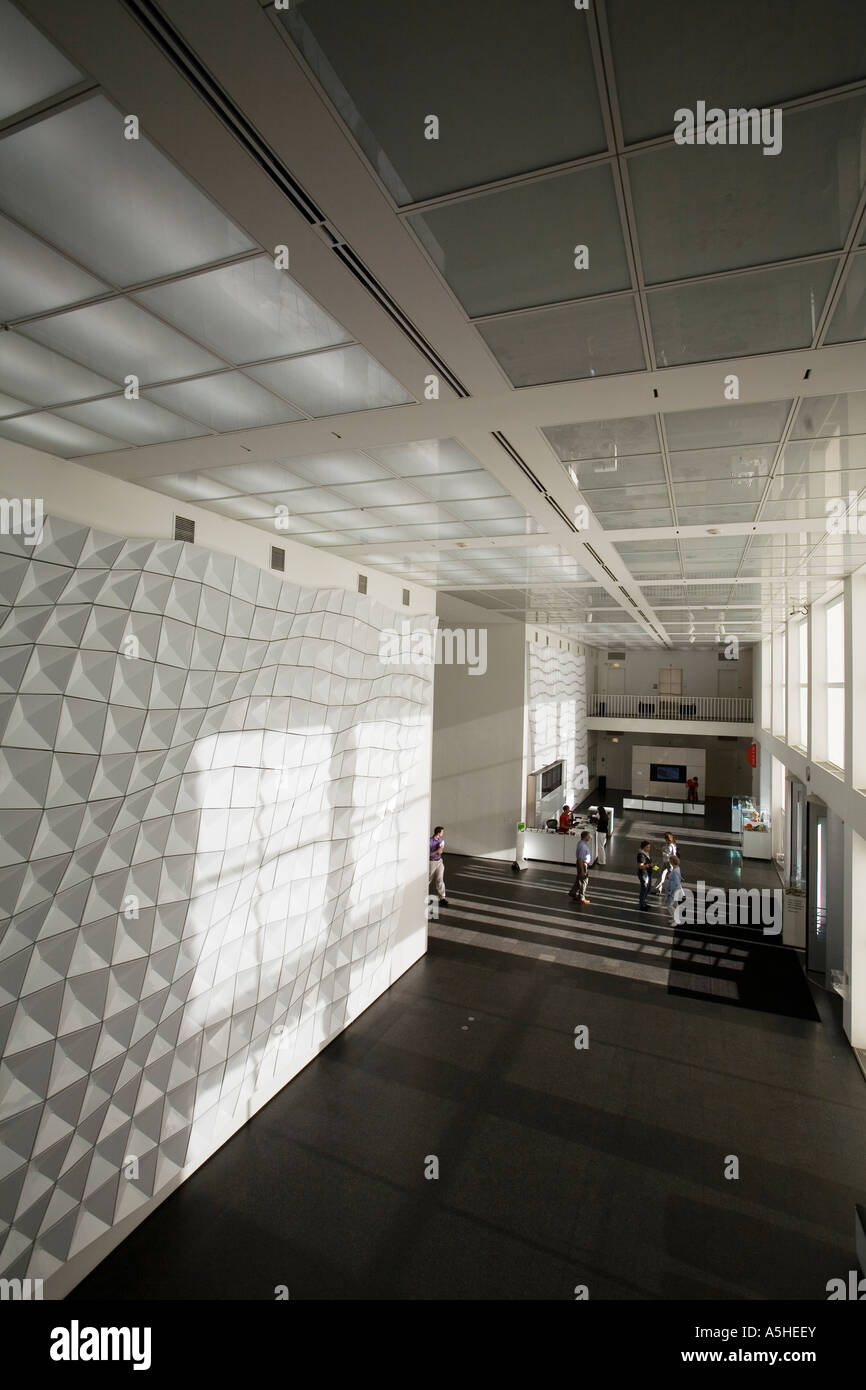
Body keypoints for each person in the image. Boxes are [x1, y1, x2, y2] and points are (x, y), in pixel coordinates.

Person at [568, 830, 592, 905]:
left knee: (579, 879)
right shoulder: (583, 846)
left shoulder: (581, 843)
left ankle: (573, 892)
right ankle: (582, 897)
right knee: (584, 881)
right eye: (589, 836)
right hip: (582, 865)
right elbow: (580, 859)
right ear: (585, 837)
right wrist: (582, 870)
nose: (590, 837)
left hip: (582, 864)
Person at [429, 826, 449, 907]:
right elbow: (428, 854)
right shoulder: (429, 841)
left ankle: (442, 898)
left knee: (440, 880)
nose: (442, 833)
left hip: (439, 861)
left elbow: (440, 852)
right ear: (438, 833)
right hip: (431, 862)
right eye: (442, 832)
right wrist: (438, 850)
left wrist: (440, 850)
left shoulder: (441, 841)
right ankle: (420, 896)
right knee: (428, 879)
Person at [663, 855, 683, 919]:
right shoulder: (677, 868)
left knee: (669, 905)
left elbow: (675, 883)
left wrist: (670, 892)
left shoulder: (675, 871)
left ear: (672, 861)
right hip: (676, 889)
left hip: (674, 890)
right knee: (675, 904)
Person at [637, 840, 652, 911]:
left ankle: (644, 902)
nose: (649, 849)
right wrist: (649, 865)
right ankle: (642, 905)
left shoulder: (646, 854)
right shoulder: (641, 855)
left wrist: (655, 867)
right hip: (644, 874)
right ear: (644, 847)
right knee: (644, 889)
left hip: (648, 874)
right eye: (648, 847)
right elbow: (640, 866)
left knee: (647, 889)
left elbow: (650, 864)